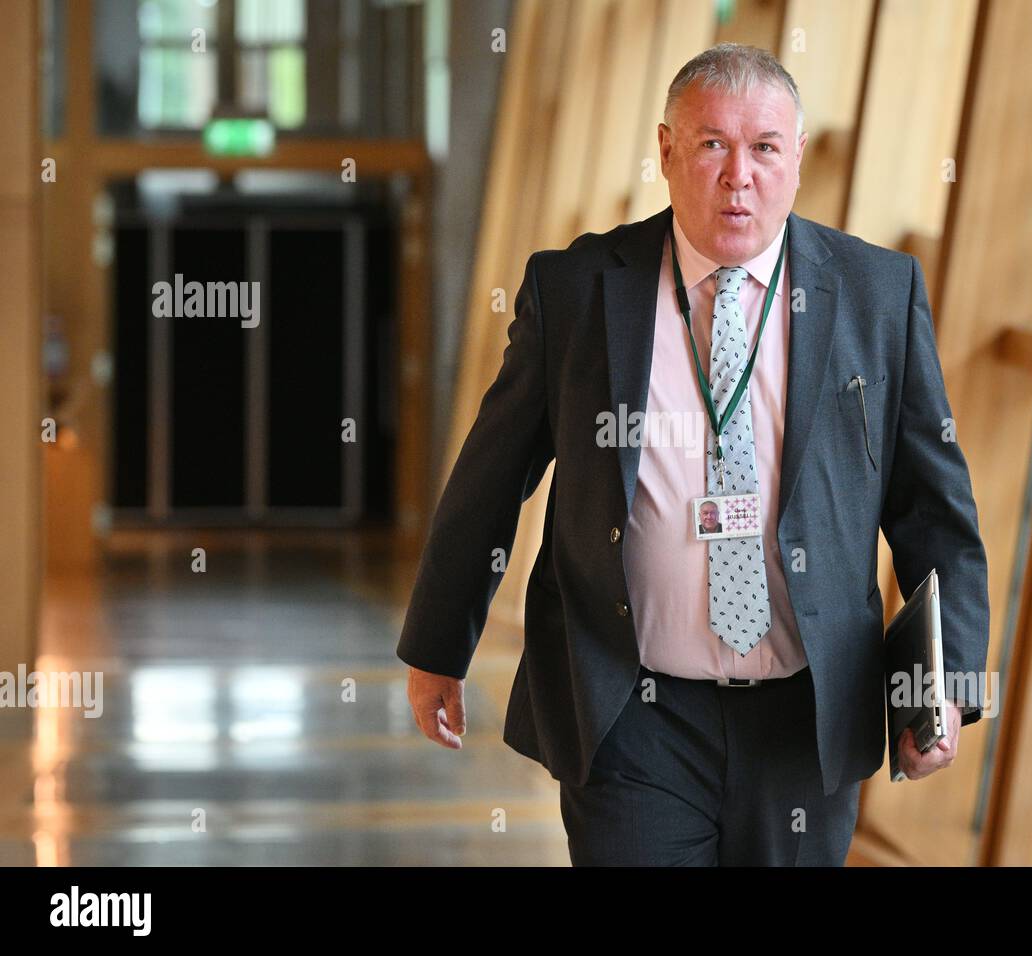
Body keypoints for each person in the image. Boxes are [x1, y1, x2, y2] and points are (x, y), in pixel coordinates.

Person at [398, 42, 990, 866]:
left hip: (806, 720)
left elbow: (935, 511)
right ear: (668, 151)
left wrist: (946, 685)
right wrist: (437, 645)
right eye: (712, 144)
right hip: (633, 715)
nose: (737, 174)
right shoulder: (576, 291)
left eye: (764, 148)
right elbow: (493, 478)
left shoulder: (877, 295)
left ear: (798, 158)